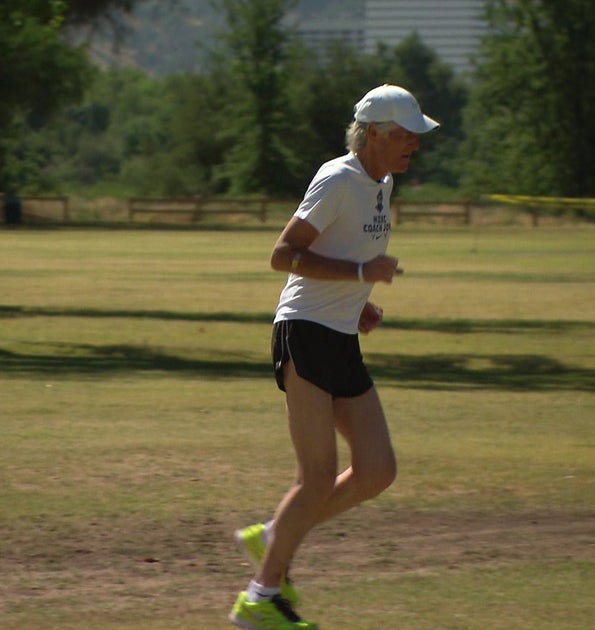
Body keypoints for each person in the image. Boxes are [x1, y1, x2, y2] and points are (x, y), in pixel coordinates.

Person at [228, 84, 440, 630]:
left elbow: (347, 254)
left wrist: (360, 302)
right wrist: (360, 277)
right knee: (317, 477)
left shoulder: (382, 183)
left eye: (416, 136)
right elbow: (284, 255)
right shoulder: (338, 178)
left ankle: (277, 534)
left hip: (339, 332)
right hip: (304, 332)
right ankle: (260, 598)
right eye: (403, 135)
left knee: (377, 469)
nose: (413, 144)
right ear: (373, 134)